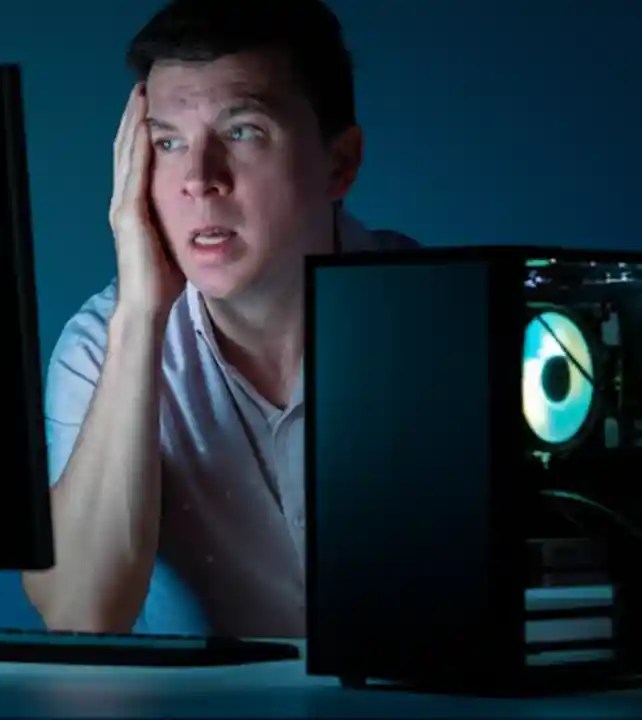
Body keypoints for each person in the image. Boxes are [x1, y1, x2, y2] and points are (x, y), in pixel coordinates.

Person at [22, 0, 419, 638]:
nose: (200, 181)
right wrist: (141, 317)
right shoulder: (101, 345)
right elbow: (81, 615)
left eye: (242, 132)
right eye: (168, 143)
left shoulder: (443, 322)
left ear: (339, 164)